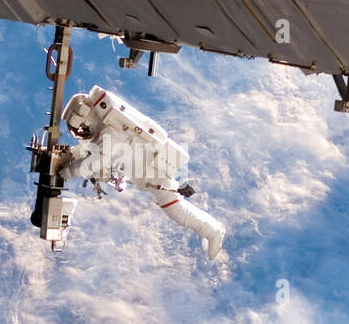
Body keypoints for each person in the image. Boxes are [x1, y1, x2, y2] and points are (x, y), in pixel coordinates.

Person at [59, 85, 225, 260]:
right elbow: (86, 151)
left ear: (87, 117)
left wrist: (70, 171)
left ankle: (214, 231)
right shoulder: (106, 130)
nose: (81, 133)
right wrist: (66, 155)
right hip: (151, 173)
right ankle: (211, 230)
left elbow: (97, 159)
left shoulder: (110, 132)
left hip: (156, 174)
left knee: (177, 211)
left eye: (81, 128)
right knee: (177, 210)